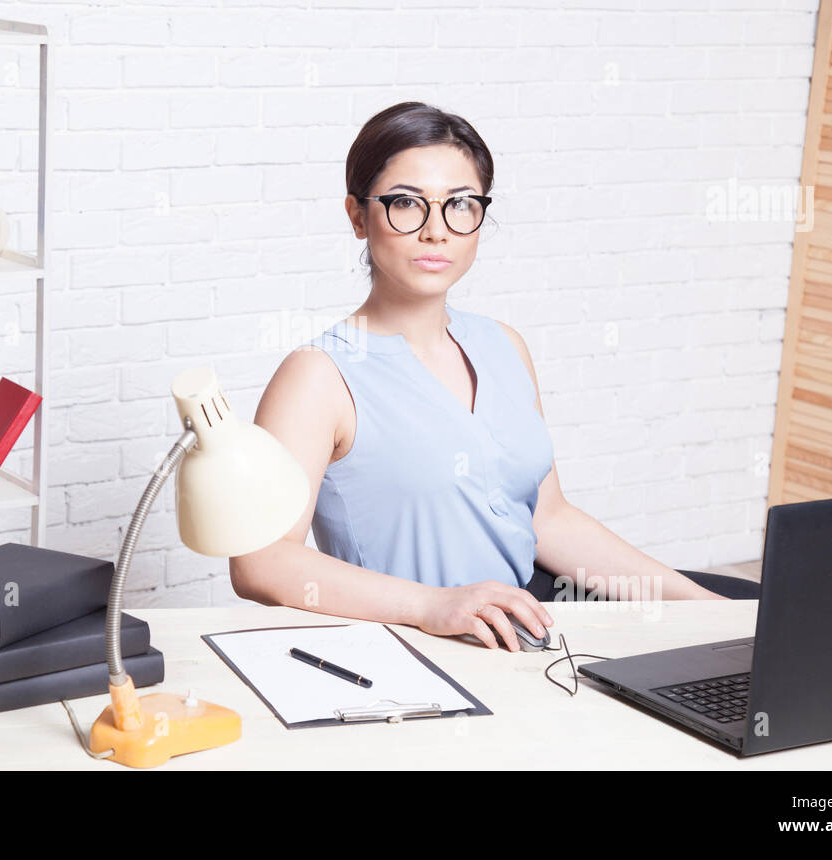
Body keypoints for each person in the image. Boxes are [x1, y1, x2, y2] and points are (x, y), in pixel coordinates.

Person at [229, 101, 760, 653]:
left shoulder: (503, 344)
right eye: (406, 203)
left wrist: (699, 605)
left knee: (748, 607)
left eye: (459, 205)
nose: (436, 231)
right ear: (358, 216)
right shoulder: (318, 375)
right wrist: (432, 605)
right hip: (419, 640)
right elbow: (258, 561)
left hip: (525, 615)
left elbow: (548, 518)